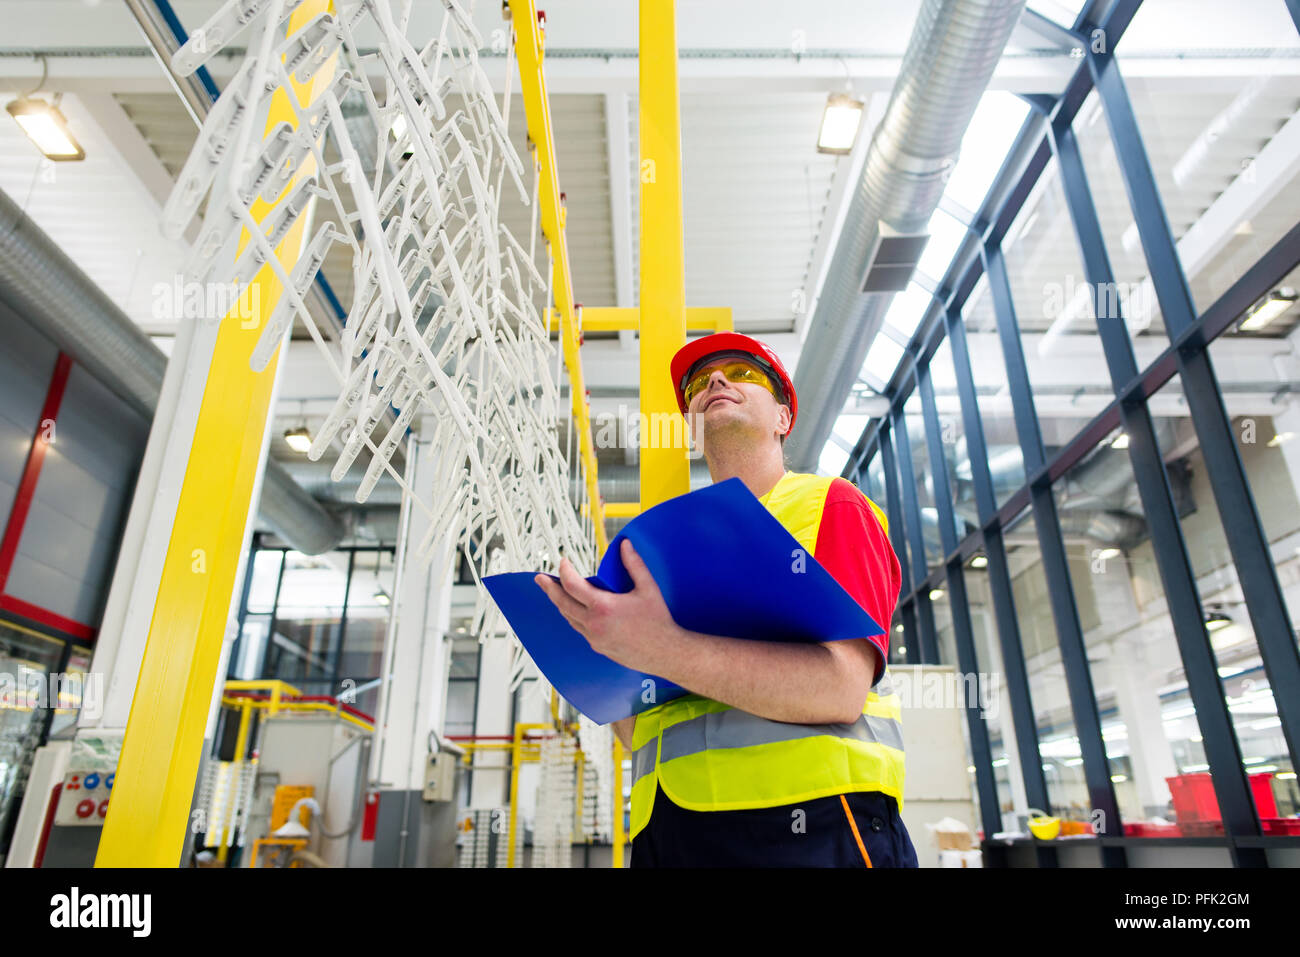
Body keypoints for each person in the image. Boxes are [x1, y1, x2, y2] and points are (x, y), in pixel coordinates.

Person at [534, 331, 916, 867]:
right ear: (692, 427)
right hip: (669, 832)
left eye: (744, 374)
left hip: (814, 824)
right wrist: (594, 658)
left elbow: (840, 689)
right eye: (699, 383)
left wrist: (660, 648)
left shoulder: (830, 505)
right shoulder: (660, 549)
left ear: (784, 419)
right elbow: (639, 729)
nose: (715, 380)